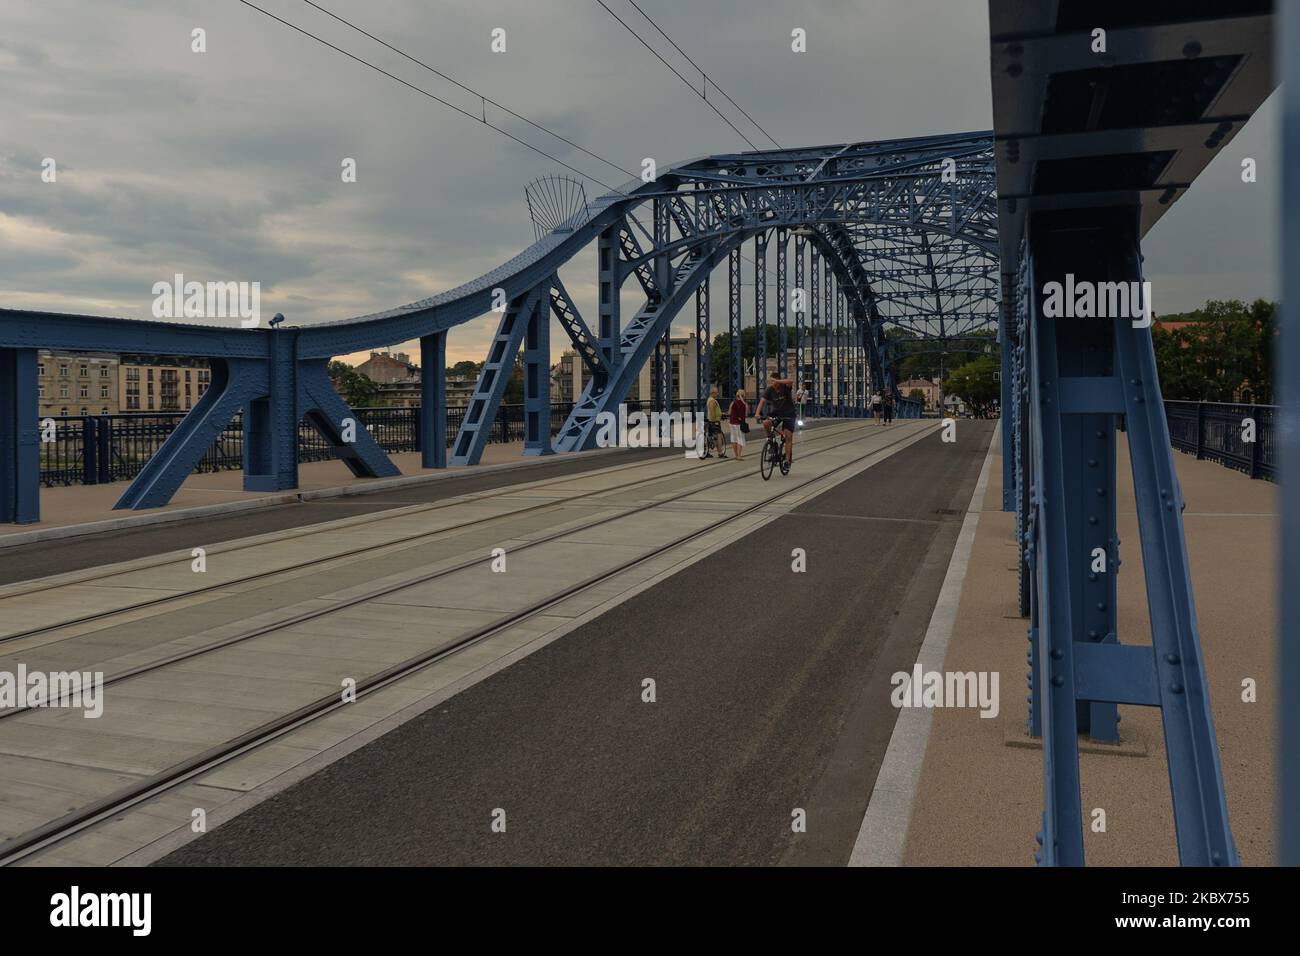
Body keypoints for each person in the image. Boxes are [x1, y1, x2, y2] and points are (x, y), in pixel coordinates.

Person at [755, 375, 796, 469]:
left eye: (773, 381)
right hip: (777, 413)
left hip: (789, 414)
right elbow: (762, 402)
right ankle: (771, 441)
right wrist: (757, 413)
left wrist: (778, 381)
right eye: (770, 381)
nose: (771, 383)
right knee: (766, 423)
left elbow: (791, 381)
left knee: (788, 436)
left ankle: (787, 461)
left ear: (778, 381)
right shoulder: (769, 390)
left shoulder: (785, 387)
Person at [705, 386, 726, 459]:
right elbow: (712, 412)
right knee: (718, 436)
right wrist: (714, 422)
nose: (718, 394)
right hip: (714, 421)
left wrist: (721, 414)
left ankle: (706, 452)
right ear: (713, 393)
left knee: (710, 436)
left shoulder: (712, 400)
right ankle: (720, 453)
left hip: (712, 421)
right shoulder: (712, 401)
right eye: (717, 392)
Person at [727, 389, 748, 460]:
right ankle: (739, 455)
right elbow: (745, 415)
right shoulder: (745, 405)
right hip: (739, 424)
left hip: (732, 423)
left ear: (736, 395)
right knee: (740, 439)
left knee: (734, 439)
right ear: (743, 396)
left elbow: (729, 413)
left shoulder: (732, 403)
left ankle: (736, 455)